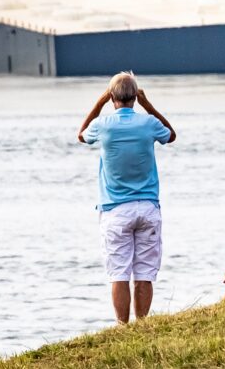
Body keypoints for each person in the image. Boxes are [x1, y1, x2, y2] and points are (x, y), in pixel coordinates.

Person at [74, 71, 175, 324]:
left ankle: (122, 326)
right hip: (148, 207)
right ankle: (142, 325)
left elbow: (81, 134)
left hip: (115, 209)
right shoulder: (148, 123)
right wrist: (148, 105)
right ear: (135, 97)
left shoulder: (103, 125)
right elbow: (170, 135)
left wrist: (99, 103)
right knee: (144, 272)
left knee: (119, 272)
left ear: (112, 98)